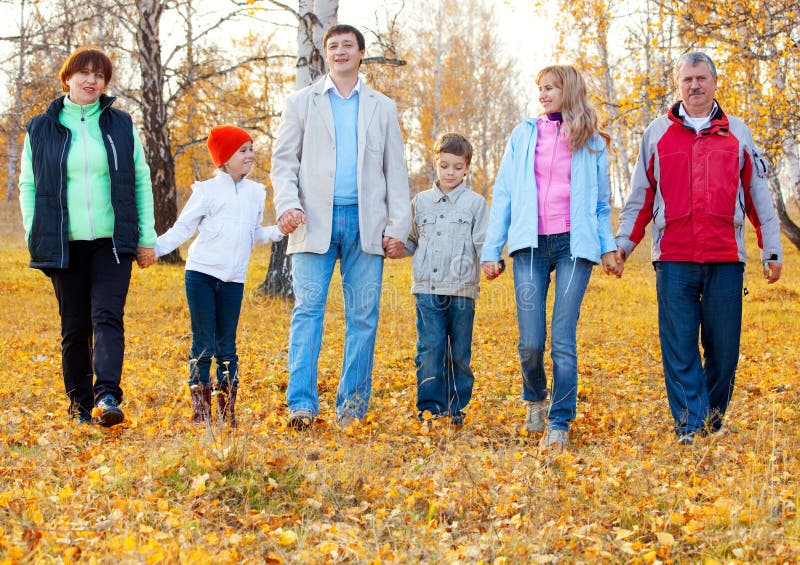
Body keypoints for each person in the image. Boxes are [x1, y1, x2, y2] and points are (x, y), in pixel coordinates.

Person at [615, 52, 783, 446]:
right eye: (687, 79)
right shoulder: (657, 133)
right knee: (679, 346)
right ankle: (691, 426)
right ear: (678, 84)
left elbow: (758, 196)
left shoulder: (738, 133)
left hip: (726, 256)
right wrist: (624, 243)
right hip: (674, 257)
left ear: (715, 82)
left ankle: (708, 419)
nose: (695, 85)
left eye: (702, 78)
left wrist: (771, 249)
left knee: (724, 353)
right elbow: (641, 194)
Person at [271, 24, 411, 430]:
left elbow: (395, 170)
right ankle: (301, 404)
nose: (340, 51)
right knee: (308, 311)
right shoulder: (301, 103)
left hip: (365, 224)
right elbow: (284, 163)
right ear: (325, 55)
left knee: (363, 317)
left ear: (361, 53)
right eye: (332, 46)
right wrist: (288, 205)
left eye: (347, 45)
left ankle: (352, 409)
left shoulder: (381, 106)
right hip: (313, 221)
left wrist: (397, 225)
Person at [481, 65, 620, 449]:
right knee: (530, 341)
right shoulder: (523, 135)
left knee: (562, 338)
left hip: (575, 246)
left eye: (551, 88)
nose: (542, 95)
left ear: (569, 91)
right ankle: (535, 399)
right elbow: (504, 195)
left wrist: (608, 247)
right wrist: (492, 251)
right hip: (530, 246)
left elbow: (599, 203)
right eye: (539, 88)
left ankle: (560, 420)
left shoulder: (591, 141)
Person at [18, 47, 157, 427]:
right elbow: (28, 185)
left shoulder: (120, 124)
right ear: (68, 78)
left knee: (108, 317)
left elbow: (140, 180)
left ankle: (107, 396)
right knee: (74, 325)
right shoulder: (40, 127)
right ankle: (79, 405)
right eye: (85, 73)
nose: (92, 81)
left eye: (100, 75)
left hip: (112, 241)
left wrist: (146, 236)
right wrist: (35, 231)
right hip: (63, 242)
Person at [155, 126, 285, 427]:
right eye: (243, 150)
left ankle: (228, 414)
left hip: (234, 279)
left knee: (227, 345)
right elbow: (183, 228)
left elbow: (254, 234)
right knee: (203, 344)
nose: (250, 155)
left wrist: (280, 230)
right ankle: (201, 413)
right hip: (201, 274)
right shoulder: (207, 191)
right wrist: (154, 250)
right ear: (225, 158)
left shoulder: (256, 193)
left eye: (251, 149)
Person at [404, 133, 488, 428]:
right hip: (427, 288)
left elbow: (482, 242)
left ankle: (455, 409)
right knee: (430, 349)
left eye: (457, 167)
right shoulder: (420, 202)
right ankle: (430, 408)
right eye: (444, 166)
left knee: (459, 353)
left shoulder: (475, 204)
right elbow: (412, 240)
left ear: (467, 169)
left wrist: (491, 262)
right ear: (435, 164)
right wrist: (394, 247)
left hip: (462, 290)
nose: (450, 172)